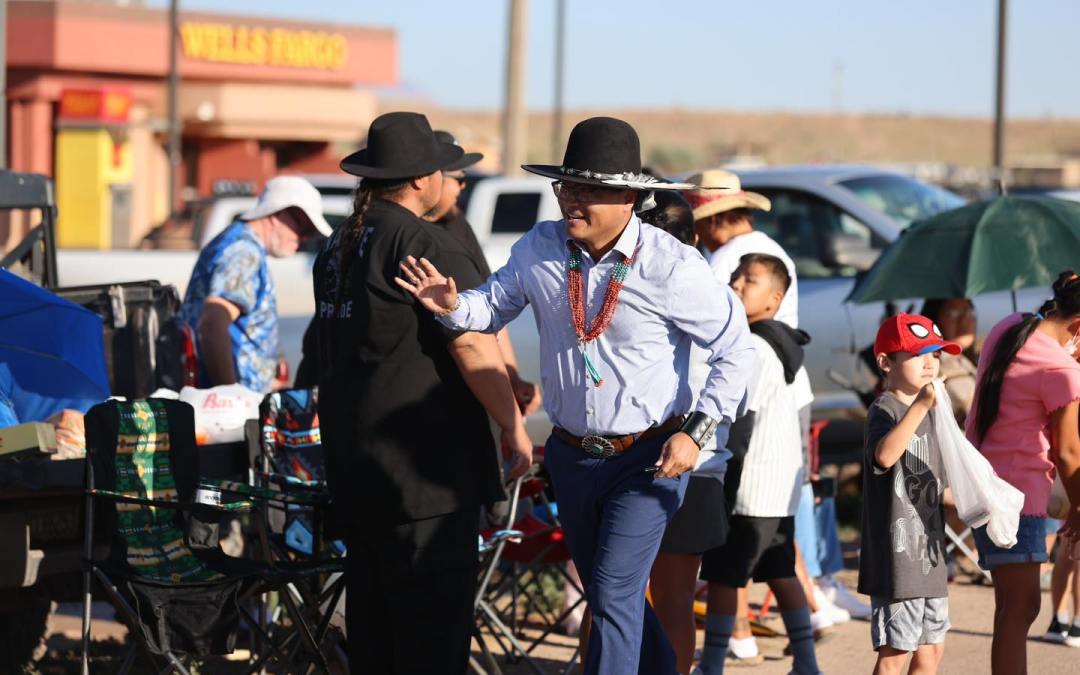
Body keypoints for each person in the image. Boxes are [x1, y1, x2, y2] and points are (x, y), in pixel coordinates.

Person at [396, 116, 757, 674]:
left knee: (612, 595)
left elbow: (738, 352)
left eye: (590, 189)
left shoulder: (671, 265)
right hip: (572, 457)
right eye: (567, 186)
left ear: (629, 199)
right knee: (614, 597)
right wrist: (451, 305)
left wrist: (697, 433)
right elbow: (489, 308)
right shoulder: (540, 247)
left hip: (650, 457)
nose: (572, 200)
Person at [312, 111, 533, 674]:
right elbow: (471, 347)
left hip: (359, 471)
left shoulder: (341, 242)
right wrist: (512, 425)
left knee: (376, 637)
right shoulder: (421, 242)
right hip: (426, 479)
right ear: (420, 178)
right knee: (430, 643)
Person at [695, 253, 819, 675]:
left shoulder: (753, 347)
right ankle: (806, 661)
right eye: (735, 276)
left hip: (750, 487)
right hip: (779, 484)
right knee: (780, 569)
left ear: (776, 297)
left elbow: (738, 419)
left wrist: (724, 482)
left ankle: (711, 665)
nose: (736, 285)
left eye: (750, 280)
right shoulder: (783, 344)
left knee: (726, 577)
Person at [965, 271, 1080, 674]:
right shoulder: (1061, 371)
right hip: (1020, 500)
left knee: (1009, 610)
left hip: (982, 483)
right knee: (1020, 611)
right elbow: (1068, 453)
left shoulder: (1009, 328)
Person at [639, 190, 735, 675]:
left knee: (611, 596)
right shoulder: (717, 291)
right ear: (694, 236)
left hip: (637, 457)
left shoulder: (630, 278)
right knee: (674, 600)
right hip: (701, 461)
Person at [859, 313, 957, 675]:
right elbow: (885, 456)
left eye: (936, 353)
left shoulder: (932, 413)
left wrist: (982, 503)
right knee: (894, 655)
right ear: (886, 362)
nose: (930, 362)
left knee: (931, 652)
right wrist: (920, 407)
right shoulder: (885, 409)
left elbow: (938, 488)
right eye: (918, 354)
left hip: (929, 561)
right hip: (897, 562)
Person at [425, 130, 542, 416]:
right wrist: (510, 421)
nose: (463, 187)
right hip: (439, 401)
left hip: (472, 395)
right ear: (430, 179)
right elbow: (470, 341)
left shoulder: (457, 225)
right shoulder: (419, 238)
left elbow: (490, 313)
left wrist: (512, 378)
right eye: (458, 178)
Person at [179, 176, 331, 394]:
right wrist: (229, 397)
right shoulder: (244, 252)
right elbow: (212, 323)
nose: (304, 238)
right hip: (231, 414)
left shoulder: (237, 242)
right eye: (302, 226)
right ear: (277, 213)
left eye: (309, 234)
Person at [921, 298, 979, 425]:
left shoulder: (975, 362)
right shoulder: (928, 365)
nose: (964, 321)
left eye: (968, 312)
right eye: (952, 314)